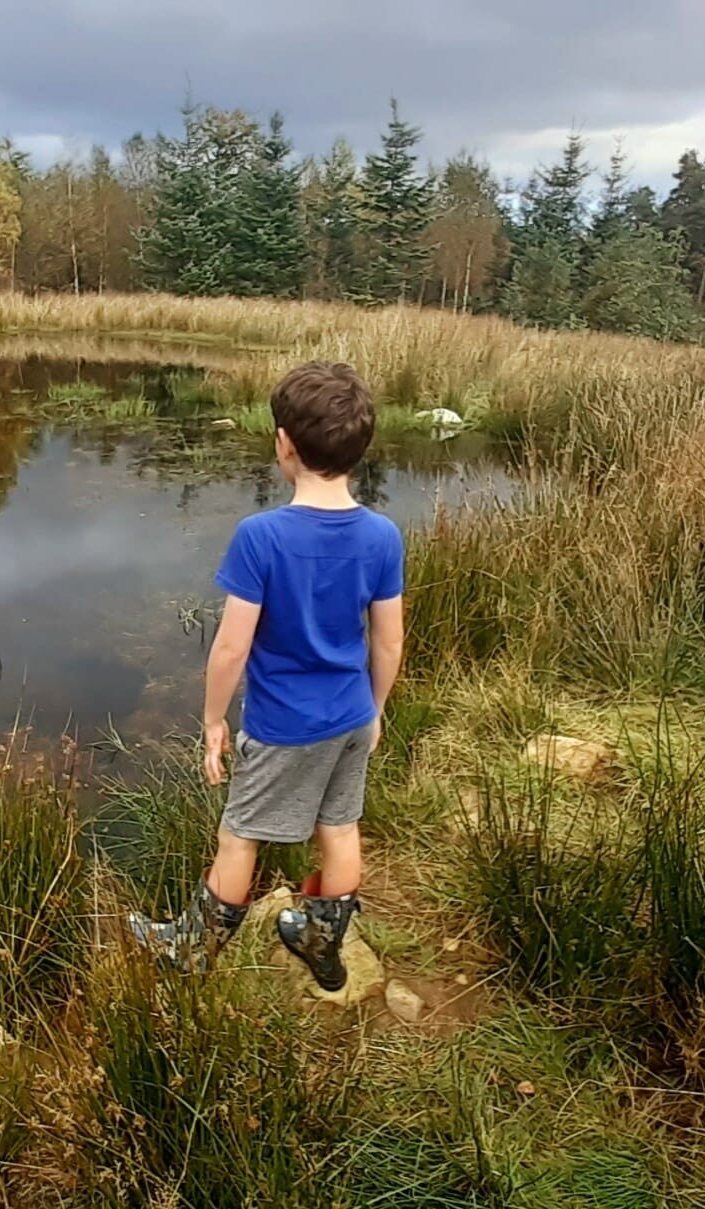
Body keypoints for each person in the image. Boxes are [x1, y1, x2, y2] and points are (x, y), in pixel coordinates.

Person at [131, 361, 405, 991]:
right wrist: (376, 709)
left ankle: (194, 949)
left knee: (238, 835)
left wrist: (212, 720)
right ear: (360, 449)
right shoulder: (382, 536)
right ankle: (321, 943)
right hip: (351, 716)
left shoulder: (261, 536)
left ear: (284, 444)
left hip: (284, 724)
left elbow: (231, 647)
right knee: (340, 827)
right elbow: (389, 641)